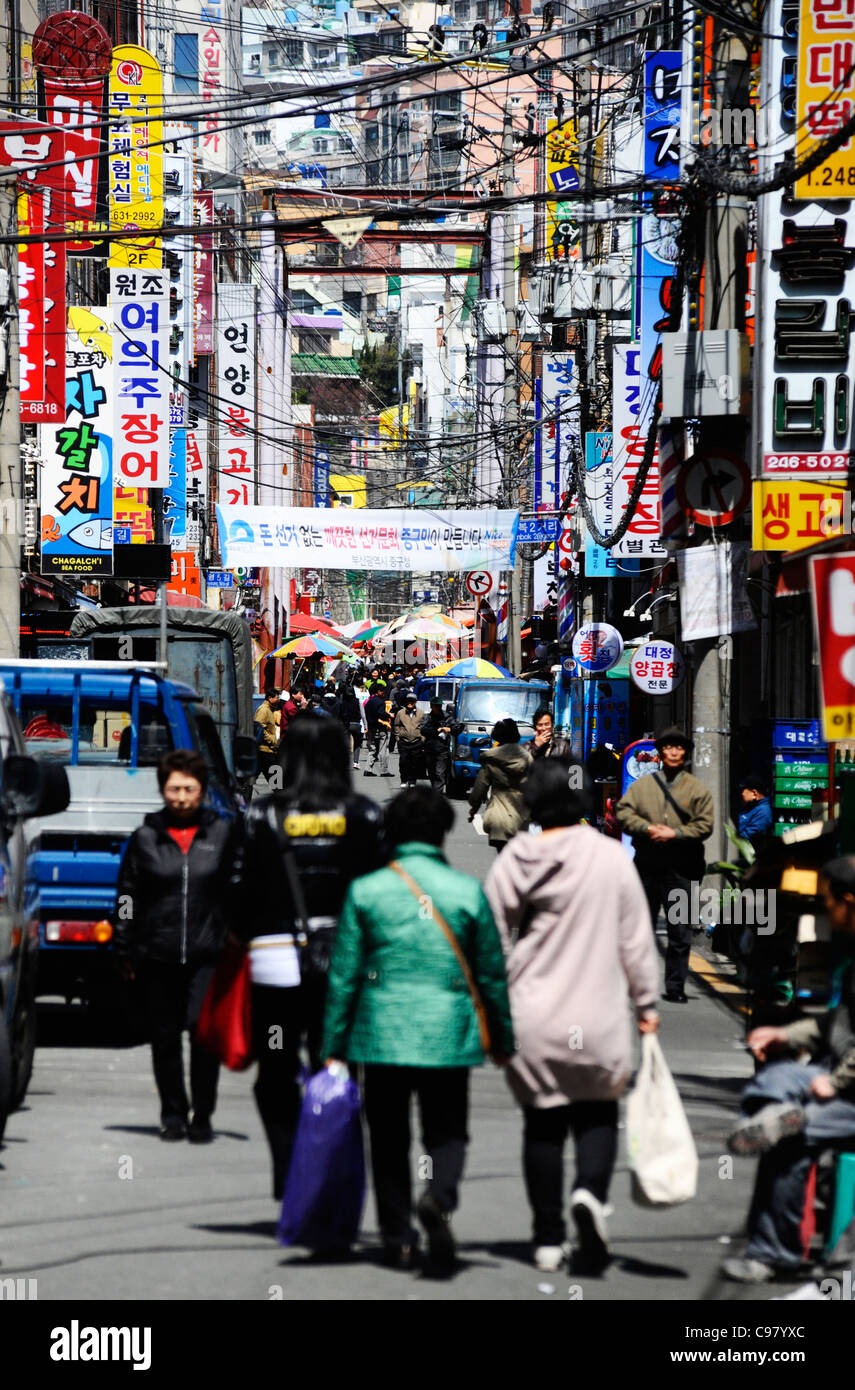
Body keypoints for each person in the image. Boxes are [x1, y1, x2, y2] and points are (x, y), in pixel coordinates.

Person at [322, 787, 515, 1270]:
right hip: (448, 1035)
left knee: (388, 1140)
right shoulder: (467, 892)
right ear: (442, 832)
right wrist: (503, 1039)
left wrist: (334, 1045)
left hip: (380, 1036)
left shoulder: (365, 891)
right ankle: (439, 1196)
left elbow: (344, 975)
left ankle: (397, 1237)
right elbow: (491, 974)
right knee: (447, 1132)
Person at [485, 760, 659, 1273]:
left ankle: (546, 1239)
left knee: (542, 1125)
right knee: (597, 1114)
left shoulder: (518, 856)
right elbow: (637, 941)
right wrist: (647, 1006)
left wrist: (491, 1009)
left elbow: (490, 941)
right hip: (599, 1015)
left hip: (532, 1014)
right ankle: (588, 1194)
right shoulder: (610, 858)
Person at [234, 715, 385, 1201]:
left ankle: (287, 1164)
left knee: (274, 1074)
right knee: (335, 1069)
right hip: (345, 963)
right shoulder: (364, 814)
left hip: (275, 961)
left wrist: (251, 933)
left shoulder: (262, 816)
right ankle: (328, 1167)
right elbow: (383, 894)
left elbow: (235, 889)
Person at [722, 855, 855, 1283]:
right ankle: (770, 1118)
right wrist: (782, 1037)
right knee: (774, 1077)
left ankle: (773, 1253)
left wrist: (834, 1083)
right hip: (833, 1069)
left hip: (848, 1088)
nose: (825, 911)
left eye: (828, 902)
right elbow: (829, 1027)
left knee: (791, 1141)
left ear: (848, 901)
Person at [113, 750, 241, 1143]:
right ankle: (173, 1112)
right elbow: (127, 895)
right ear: (162, 790)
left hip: (209, 953)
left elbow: (240, 888)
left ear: (202, 791)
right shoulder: (146, 837)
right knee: (164, 1037)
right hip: (157, 952)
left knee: (203, 1036)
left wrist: (239, 936)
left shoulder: (222, 833)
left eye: (189, 789)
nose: (181, 797)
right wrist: (124, 943)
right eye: (173, 789)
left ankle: (202, 1113)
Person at [615, 727, 714, 1004]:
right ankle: (637, 985)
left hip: (682, 868)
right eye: (668, 747)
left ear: (685, 753)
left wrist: (676, 833)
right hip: (647, 865)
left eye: (679, 748)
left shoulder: (697, 789)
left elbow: (705, 824)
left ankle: (675, 987)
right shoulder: (643, 786)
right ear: (660, 752)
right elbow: (623, 812)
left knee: (679, 932)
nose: (673, 752)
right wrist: (647, 828)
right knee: (639, 929)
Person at [468, 718, 532, 853]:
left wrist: (474, 808)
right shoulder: (527, 757)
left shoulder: (490, 759)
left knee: (503, 857)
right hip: (522, 815)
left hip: (499, 817)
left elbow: (480, 788)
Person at [421, 698, 454, 792]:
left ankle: (437, 795)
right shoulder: (427, 717)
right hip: (429, 749)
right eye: (436, 706)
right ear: (431, 706)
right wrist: (437, 730)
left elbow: (457, 727)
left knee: (439, 773)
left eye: (439, 706)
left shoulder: (447, 717)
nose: (438, 708)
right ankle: (434, 791)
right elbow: (423, 730)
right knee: (432, 773)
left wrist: (450, 729)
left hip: (442, 750)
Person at [394, 694, 426, 788]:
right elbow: (396, 725)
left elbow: (424, 726)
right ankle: (403, 780)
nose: (410, 703)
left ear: (415, 702)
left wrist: (422, 738)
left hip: (417, 742)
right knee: (404, 761)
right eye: (408, 701)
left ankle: (412, 781)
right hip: (404, 742)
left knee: (415, 763)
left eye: (412, 701)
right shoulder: (400, 713)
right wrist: (398, 736)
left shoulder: (421, 713)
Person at [364, 682, 393, 777]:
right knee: (383, 749)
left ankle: (368, 769)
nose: (384, 693)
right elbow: (381, 714)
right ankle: (384, 770)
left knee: (373, 749)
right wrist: (389, 715)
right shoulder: (380, 702)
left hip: (371, 728)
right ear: (378, 691)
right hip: (379, 727)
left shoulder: (368, 702)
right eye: (382, 691)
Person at [738, 775, 774, 846]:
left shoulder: (764, 812)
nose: (741, 794)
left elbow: (746, 838)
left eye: (743, 790)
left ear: (754, 793)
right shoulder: (752, 806)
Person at [254, 689, 281, 782]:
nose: (278, 700)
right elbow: (259, 728)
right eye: (277, 698)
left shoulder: (269, 709)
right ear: (270, 698)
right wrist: (271, 740)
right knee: (277, 782)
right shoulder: (264, 710)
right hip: (265, 750)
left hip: (268, 750)